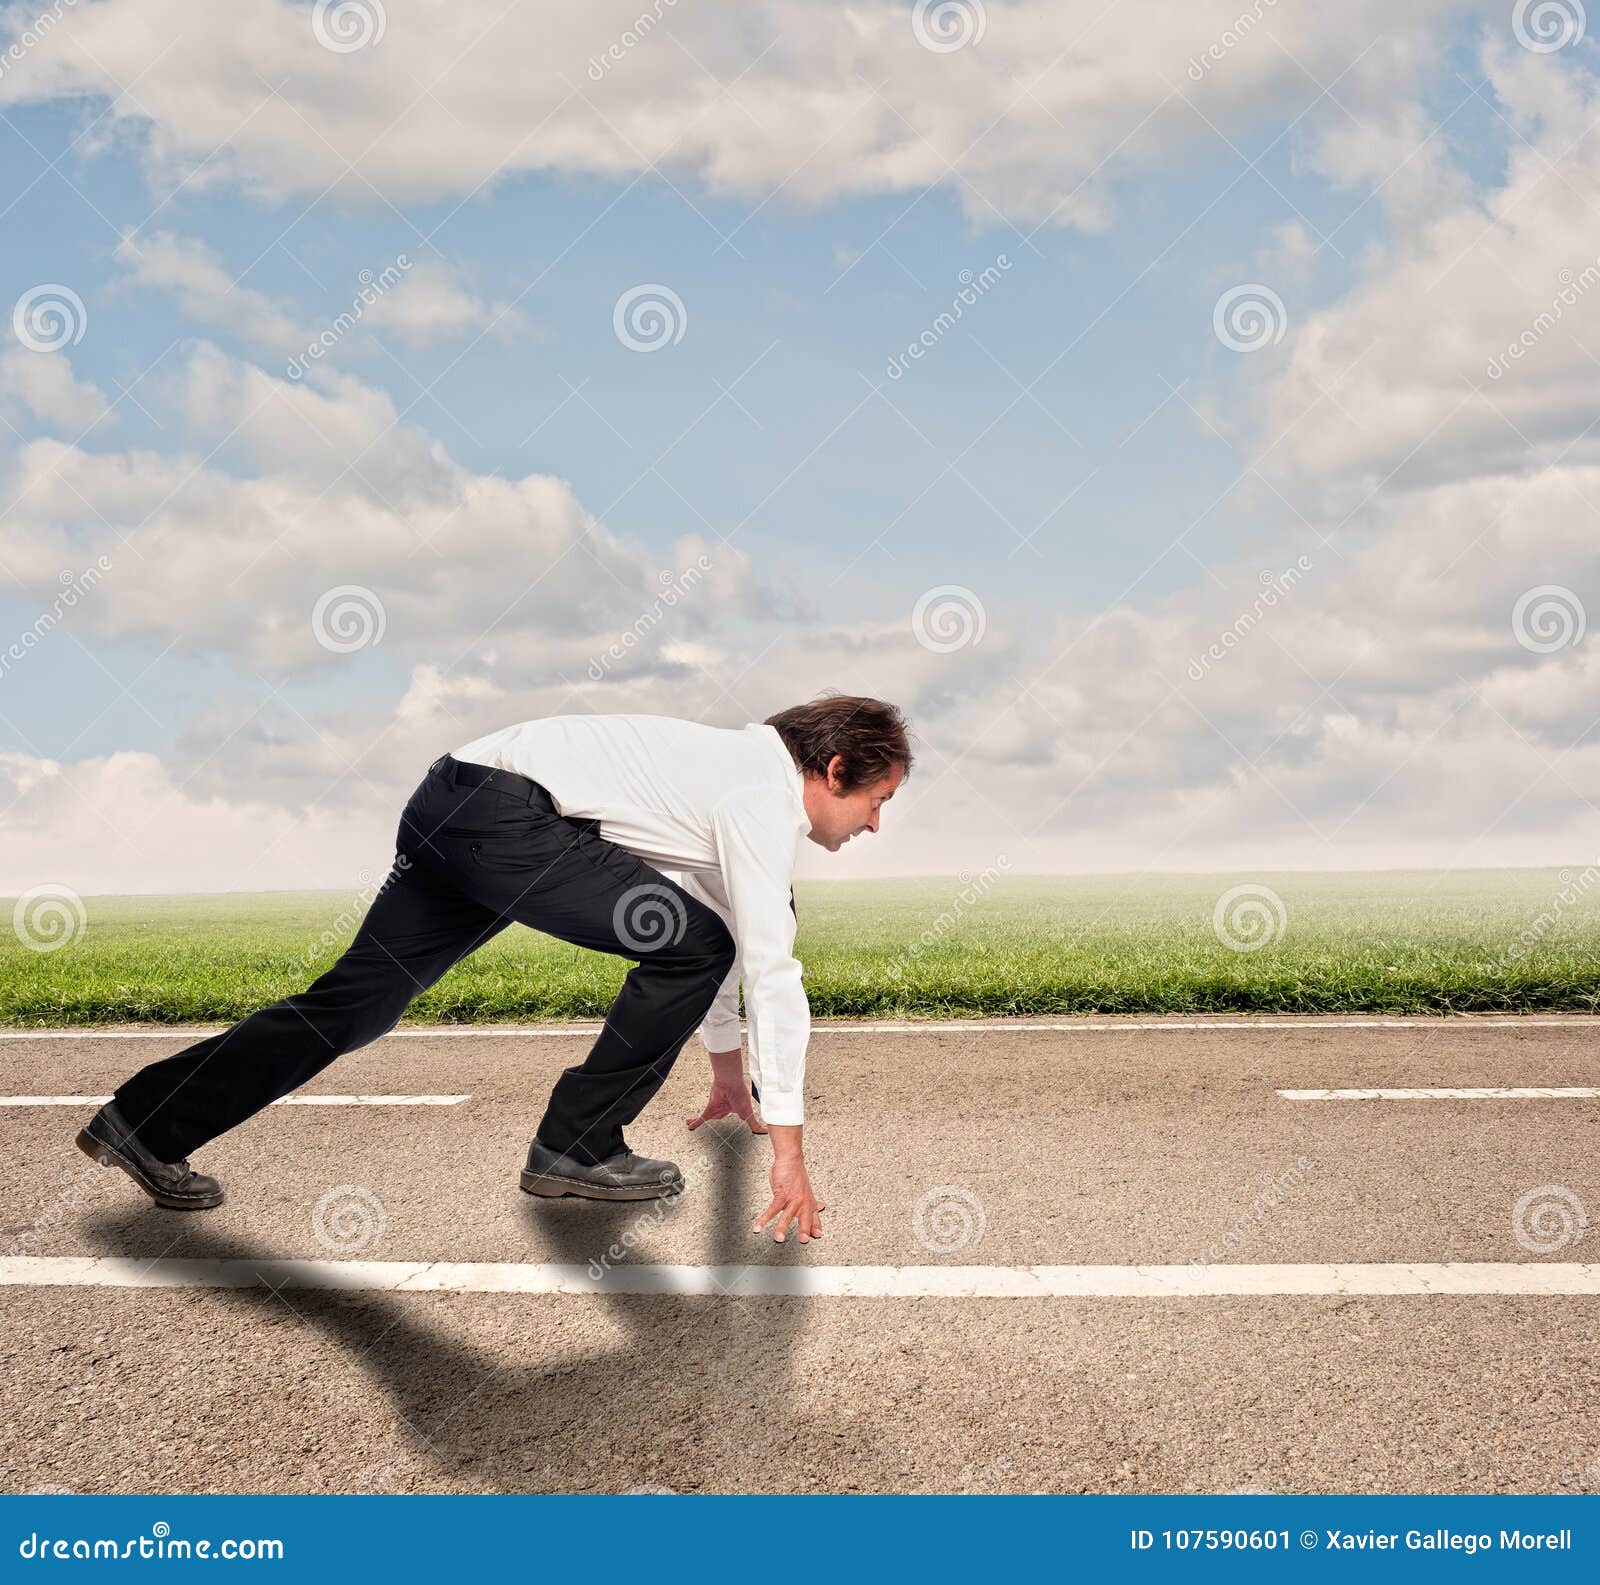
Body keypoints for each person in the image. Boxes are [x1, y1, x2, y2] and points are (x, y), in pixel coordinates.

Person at [76, 696, 913, 1245]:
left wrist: (729, 1072)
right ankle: (576, 1144)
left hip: (453, 799)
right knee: (689, 943)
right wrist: (790, 1152)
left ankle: (145, 1123)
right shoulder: (759, 797)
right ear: (835, 769)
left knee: (355, 1004)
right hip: (509, 820)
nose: (874, 824)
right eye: (877, 800)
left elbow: (727, 922)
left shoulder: (729, 772)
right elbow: (767, 968)